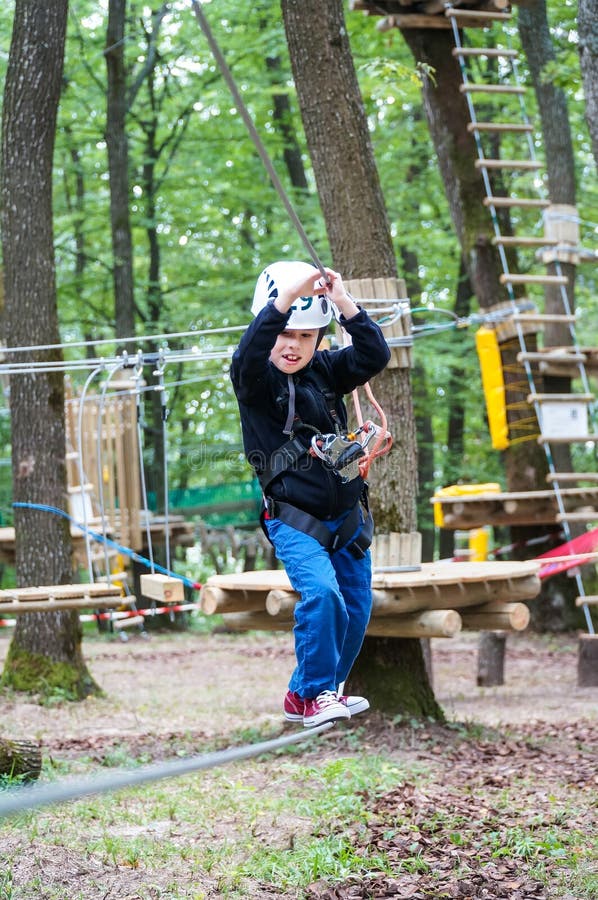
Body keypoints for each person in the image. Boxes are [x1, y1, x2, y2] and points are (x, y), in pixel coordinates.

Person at [230, 260, 391, 727]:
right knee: (323, 595)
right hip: (295, 517)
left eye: (305, 336)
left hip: (346, 516)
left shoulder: (326, 370)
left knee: (357, 605)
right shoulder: (254, 382)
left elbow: (374, 355)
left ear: (318, 338)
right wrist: (283, 302)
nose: (292, 345)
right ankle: (315, 692)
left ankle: (320, 690)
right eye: (285, 333)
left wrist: (342, 301)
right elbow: (250, 350)